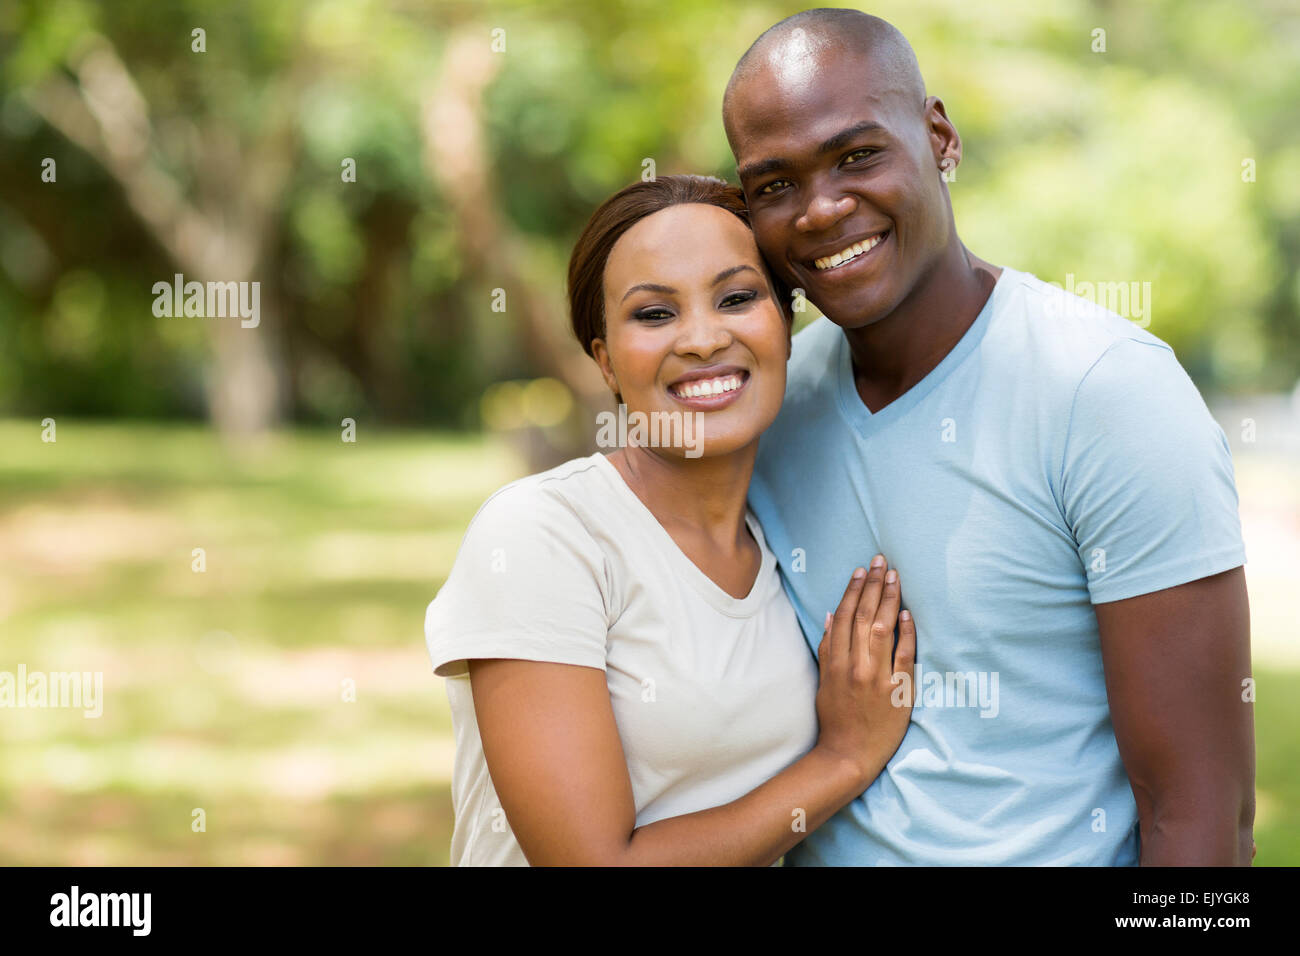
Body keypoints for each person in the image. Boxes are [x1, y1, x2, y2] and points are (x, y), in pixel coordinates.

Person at [723, 8, 1254, 865]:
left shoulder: (1103, 388)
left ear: (938, 137)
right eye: (774, 184)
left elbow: (1202, 820)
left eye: (858, 156)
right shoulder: (768, 411)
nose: (820, 210)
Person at [424, 175, 917, 866]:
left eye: (738, 298)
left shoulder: (786, 546)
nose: (703, 338)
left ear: (784, 326)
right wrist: (841, 759)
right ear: (606, 363)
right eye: (654, 314)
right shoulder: (545, 535)